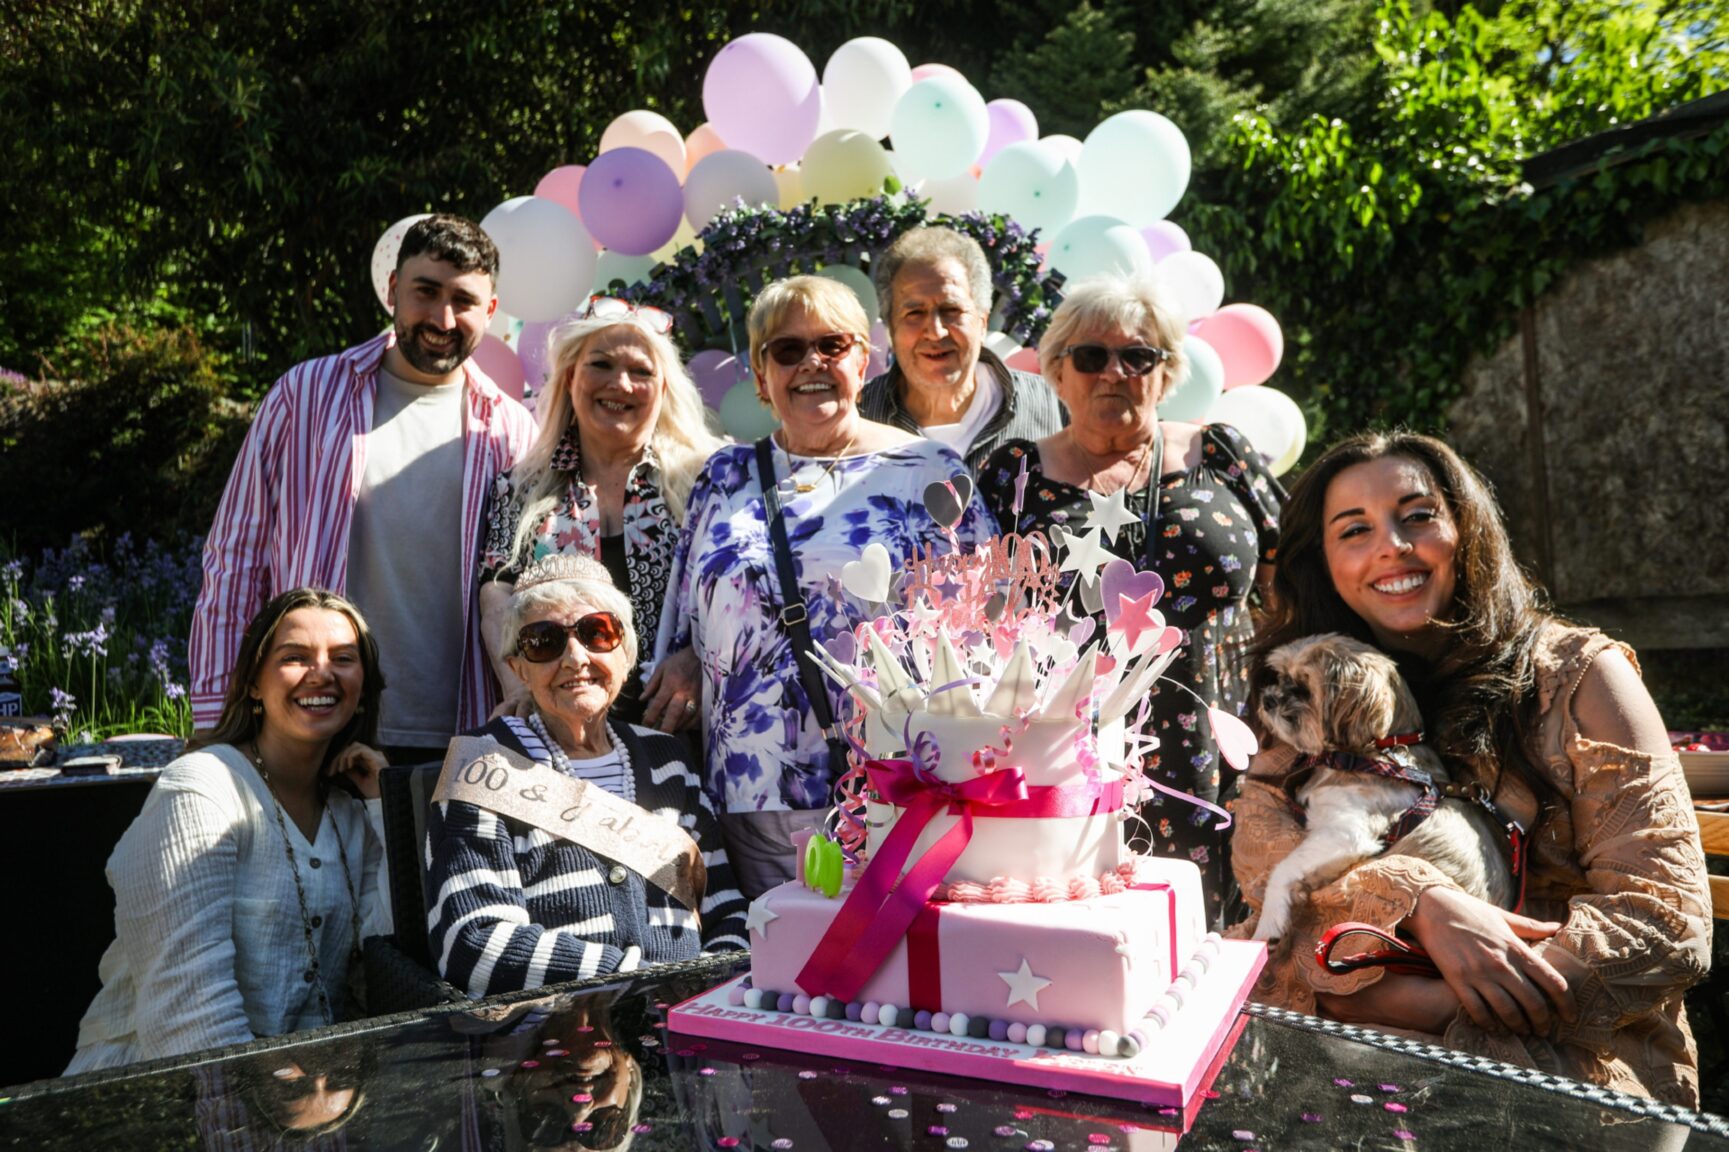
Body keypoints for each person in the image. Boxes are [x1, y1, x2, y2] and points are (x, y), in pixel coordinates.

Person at [1231, 431, 1711, 1106]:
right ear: (1323, 561)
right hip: (1349, 1059)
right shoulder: (1305, 686)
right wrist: (1421, 899)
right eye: (1353, 529)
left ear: (1466, 528)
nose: (1391, 545)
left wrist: (1433, 1002)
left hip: (1559, 1065)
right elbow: (1264, 860)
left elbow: (1664, 919)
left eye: (1417, 515)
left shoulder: (1576, 676)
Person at [650, 275, 995, 897]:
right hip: (750, 792)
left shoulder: (929, 473)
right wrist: (683, 659)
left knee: (891, 975)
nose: (812, 363)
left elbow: (984, 629)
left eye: (832, 345)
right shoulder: (724, 475)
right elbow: (686, 611)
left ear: (864, 361)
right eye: (787, 350)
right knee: (779, 979)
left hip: (895, 783)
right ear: (760, 374)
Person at [976, 275, 1284, 922]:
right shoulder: (1011, 477)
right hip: (1067, 766)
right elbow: (976, 623)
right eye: (1090, 358)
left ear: (1165, 372)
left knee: (1230, 945)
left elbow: (1302, 578)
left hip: (1227, 753)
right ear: (1057, 374)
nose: (1112, 373)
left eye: (1136, 357)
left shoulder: (1217, 455)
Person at [190, 214, 537, 763]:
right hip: (312, 724)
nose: (443, 317)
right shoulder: (304, 396)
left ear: (490, 312)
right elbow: (235, 557)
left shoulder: (513, 431)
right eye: (426, 291)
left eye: (464, 300)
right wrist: (214, 718)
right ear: (394, 289)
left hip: (466, 735)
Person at [69, 589, 392, 1073]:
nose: (322, 673)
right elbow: (190, 1016)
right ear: (254, 684)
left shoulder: (349, 811)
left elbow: (383, 955)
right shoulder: (200, 790)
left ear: (363, 687)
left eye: (343, 658)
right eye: (295, 657)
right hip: (157, 1096)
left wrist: (381, 807)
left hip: (306, 1106)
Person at [426, 556, 748, 998]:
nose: (576, 657)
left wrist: (706, 997)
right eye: (544, 642)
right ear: (519, 668)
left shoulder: (667, 759)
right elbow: (473, 944)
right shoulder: (484, 765)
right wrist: (648, 983)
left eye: (598, 633)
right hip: (553, 1045)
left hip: (684, 1035)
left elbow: (728, 915)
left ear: (627, 652)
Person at [479, 297, 723, 729]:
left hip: (687, 735)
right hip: (563, 739)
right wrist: (519, 689)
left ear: (664, 387)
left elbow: (743, 596)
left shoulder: (710, 481)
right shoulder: (520, 488)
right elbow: (496, 592)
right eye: (602, 365)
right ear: (570, 377)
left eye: (642, 371)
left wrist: (700, 657)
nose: (621, 384)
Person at [860, 226, 1064, 472]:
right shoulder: (857, 416)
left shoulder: (1056, 406)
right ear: (891, 328)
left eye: (951, 310)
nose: (935, 332)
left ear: (982, 322)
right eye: (914, 313)